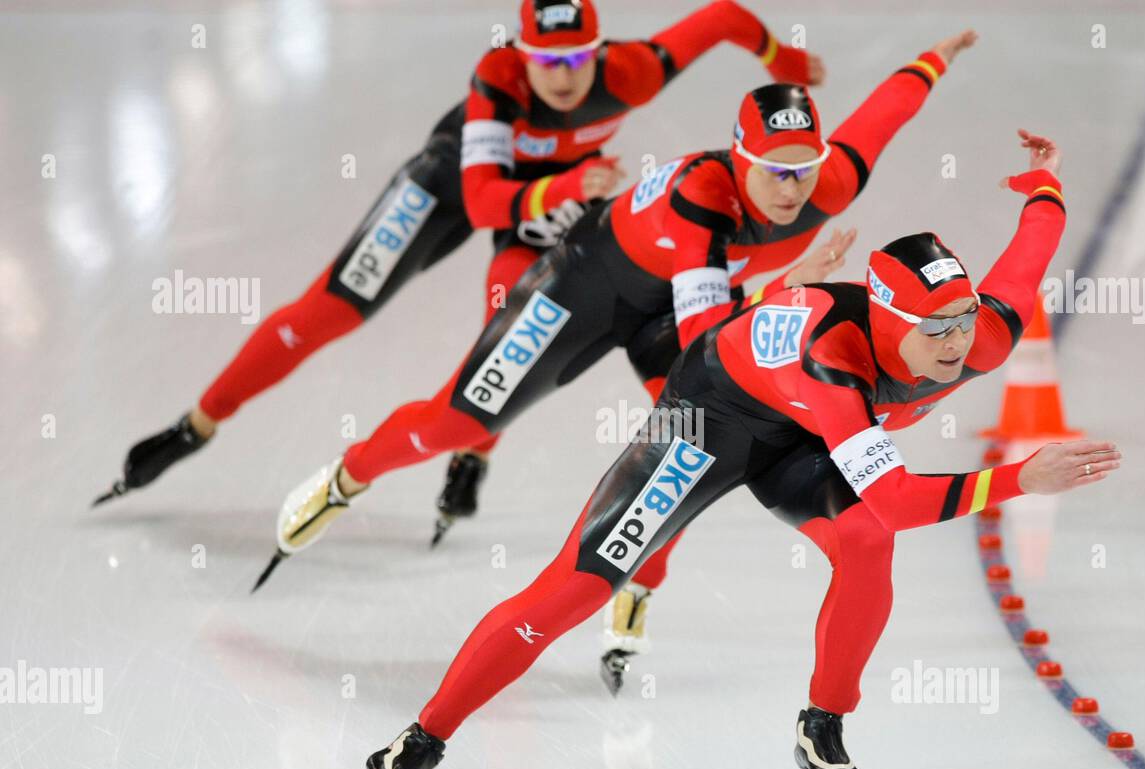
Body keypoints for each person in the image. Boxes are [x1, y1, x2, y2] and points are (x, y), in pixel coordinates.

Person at [343, 130, 1123, 769]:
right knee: (572, 593)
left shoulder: (983, 333)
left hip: (798, 434)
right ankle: (423, 738)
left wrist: (1043, 184)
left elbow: (1032, 253)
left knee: (863, 540)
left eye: (961, 322)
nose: (956, 345)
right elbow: (897, 495)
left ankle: (822, 724)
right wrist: (1020, 477)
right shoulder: (834, 363)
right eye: (934, 330)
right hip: (707, 415)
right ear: (886, 324)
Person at [267, 32, 981, 695]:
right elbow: (708, 337)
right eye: (771, 172)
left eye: (803, 172)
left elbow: (884, 116)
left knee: (699, 436)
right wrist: (782, 290)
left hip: (676, 314)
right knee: (461, 419)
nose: (791, 191)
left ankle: (638, 580)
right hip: (583, 290)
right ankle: (348, 475)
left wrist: (934, 60)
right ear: (738, 158)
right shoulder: (704, 200)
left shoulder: (829, 180)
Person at [92, 0, 824, 530]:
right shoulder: (498, 79)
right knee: (330, 312)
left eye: (576, 60)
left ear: (600, 54)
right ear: (521, 54)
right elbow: (480, 203)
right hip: (454, 189)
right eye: (547, 61)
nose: (564, 78)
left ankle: (472, 448)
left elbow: (725, 14)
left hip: (560, 212)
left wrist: (780, 62)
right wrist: (571, 184)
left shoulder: (628, 72)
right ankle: (196, 424)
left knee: (508, 310)